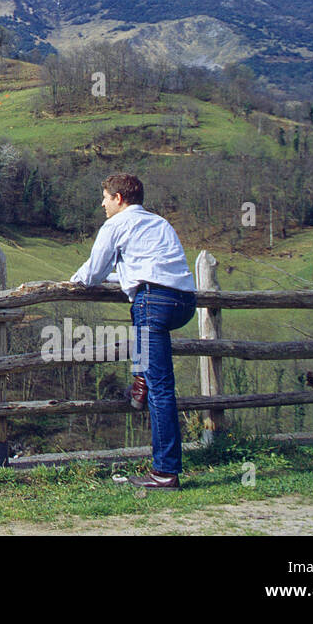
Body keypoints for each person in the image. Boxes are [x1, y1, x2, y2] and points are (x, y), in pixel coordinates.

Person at [69, 173, 196, 490]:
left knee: (162, 388)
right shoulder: (159, 223)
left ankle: (165, 472)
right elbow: (140, 269)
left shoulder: (115, 225)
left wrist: (71, 282)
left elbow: (94, 272)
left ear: (119, 198)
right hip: (183, 301)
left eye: (105, 196)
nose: (102, 203)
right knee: (144, 329)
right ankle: (140, 378)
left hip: (153, 301)